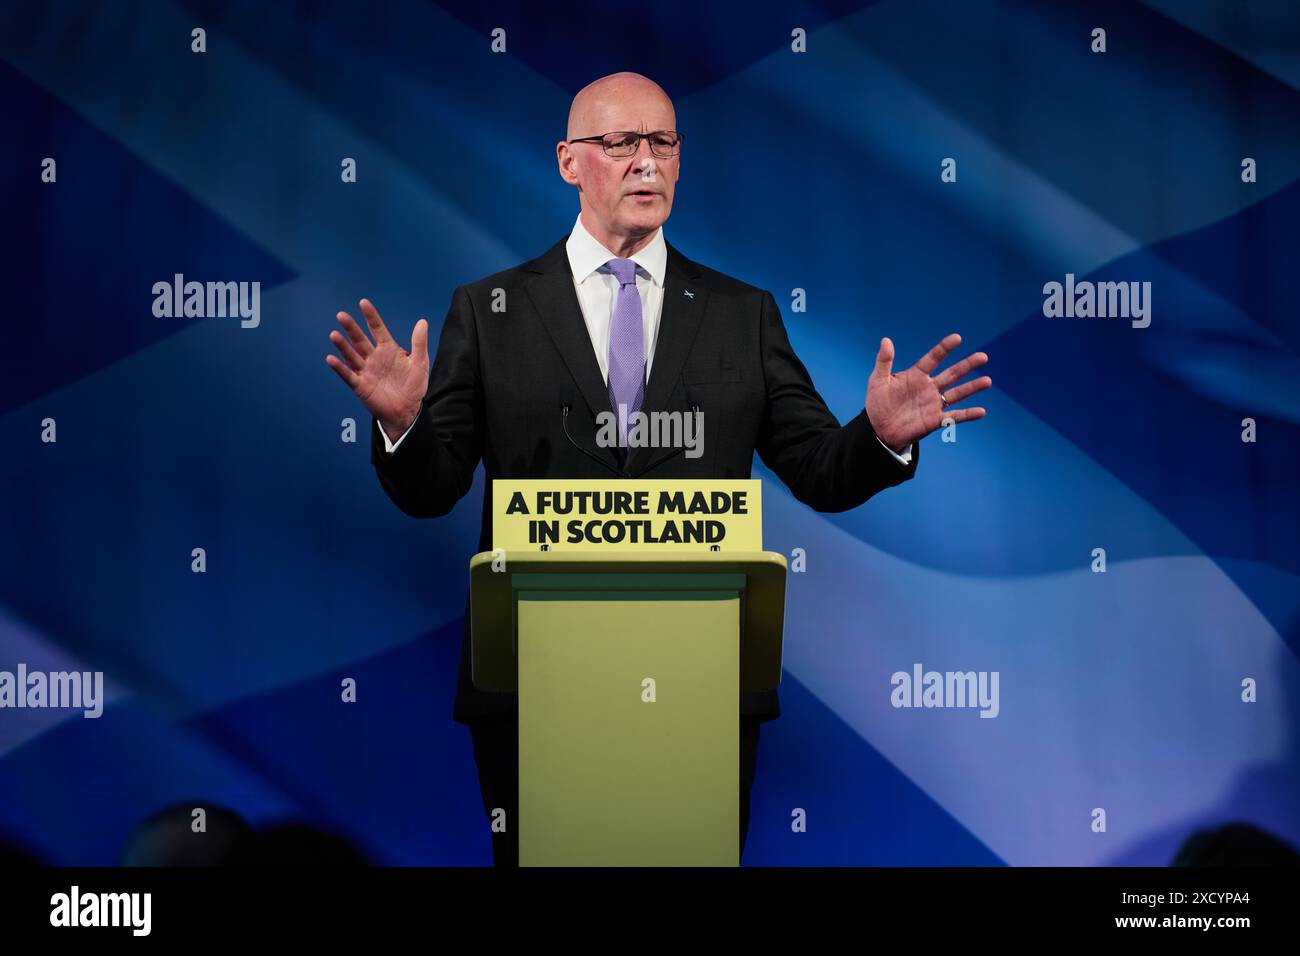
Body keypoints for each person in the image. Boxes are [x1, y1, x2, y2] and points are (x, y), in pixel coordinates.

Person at [325, 72, 991, 865]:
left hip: (697, 688)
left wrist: (878, 436)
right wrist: (403, 426)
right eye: (621, 144)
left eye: (664, 142)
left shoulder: (742, 315)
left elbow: (818, 468)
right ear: (569, 161)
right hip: (538, 690)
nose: (648, 162)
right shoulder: (491, 310)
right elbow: (434, 489)